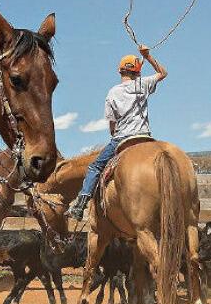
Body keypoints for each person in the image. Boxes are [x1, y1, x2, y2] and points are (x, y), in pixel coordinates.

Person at [66, 44, 168, 221]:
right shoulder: (142, 84)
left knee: (95, 167)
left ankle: (80, 205)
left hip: (122, 139)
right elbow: (163, 73)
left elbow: (112, 125)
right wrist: (148, 56)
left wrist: (114, 133)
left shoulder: (112, 93)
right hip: (144, 138)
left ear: (120, 71)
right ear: (137, 71)